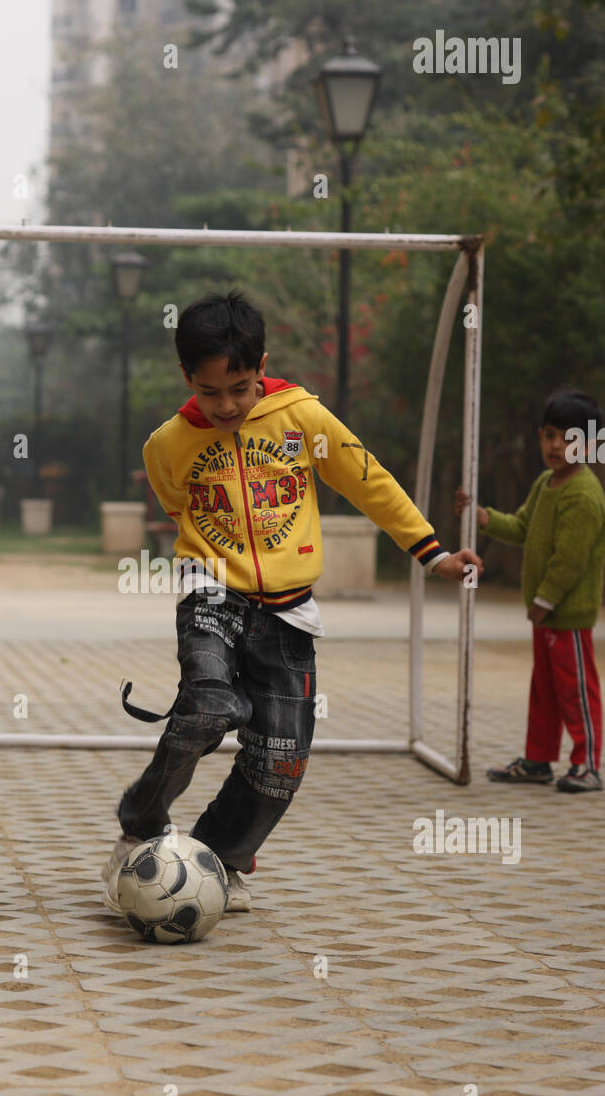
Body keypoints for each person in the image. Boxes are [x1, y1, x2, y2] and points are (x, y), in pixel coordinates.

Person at [104, 289, 482, 914]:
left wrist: (433, 553)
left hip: (289, 609)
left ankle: (218, 858)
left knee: (282, 759)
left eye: (240, 387)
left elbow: (371, 483)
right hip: (212, 591)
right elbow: (178, 508)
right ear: (186, 379)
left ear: (262, 367)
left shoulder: (303, 419)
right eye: (209, 392)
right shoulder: (166, 446)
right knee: (206, 706)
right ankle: (142, 821)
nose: (226, 405)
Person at [457, 387, 605, 793]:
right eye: (551, 435)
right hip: (545, 615)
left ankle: (588, 763)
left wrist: (544, 601)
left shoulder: (584, 494)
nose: (558, 446)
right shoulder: (546, 483)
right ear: (541, 436)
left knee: (575, 689)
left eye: (570, 438)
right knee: (544, 690)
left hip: (566, 616)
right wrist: (483, 516)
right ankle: (538, 759)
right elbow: (522, 527)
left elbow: (569, 561)